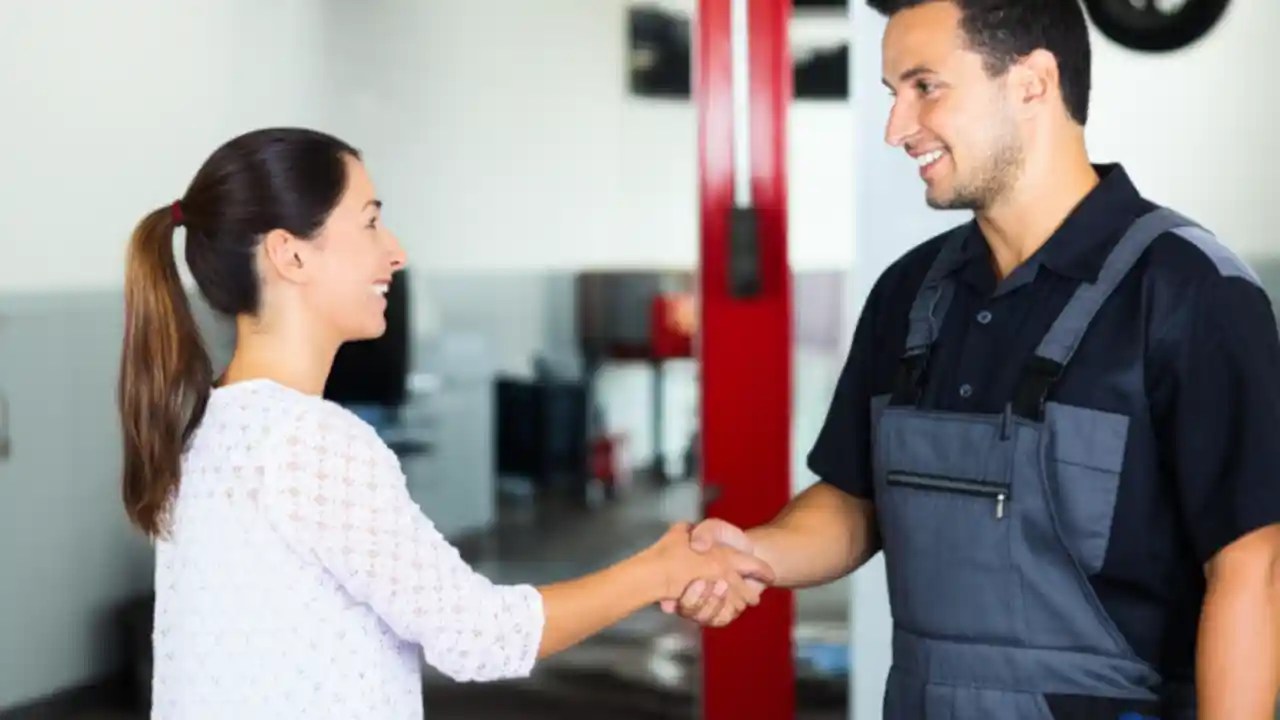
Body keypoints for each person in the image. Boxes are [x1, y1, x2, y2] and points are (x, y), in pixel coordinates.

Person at [668, 1, 1280, 718]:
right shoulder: (908, 293)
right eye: (893, 94)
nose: (897, 128)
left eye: (925, 87)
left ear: (1031, 82)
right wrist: (754, 555)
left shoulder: (1191, 293)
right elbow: (853, 501)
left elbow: (1253, 567)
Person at [116, 127, 774, 719]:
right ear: (291, 256)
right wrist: (658, 570)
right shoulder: (311, 442)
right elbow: (480, 637)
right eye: (370, 223)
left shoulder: (207, 425)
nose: (395, 252)